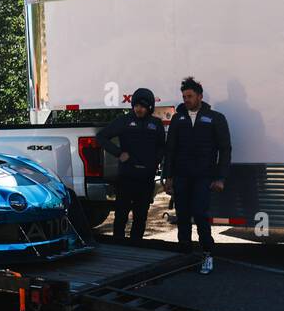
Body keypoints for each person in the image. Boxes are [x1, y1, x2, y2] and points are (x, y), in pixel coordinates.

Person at [161, 76, 232, 274]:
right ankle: (184, 257)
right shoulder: (178, 118)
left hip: (204, 177)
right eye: (184, 96)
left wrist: (220, 178)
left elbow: (225, 150)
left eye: (190, 96)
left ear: (200, 96)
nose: (186, 100)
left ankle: (207, 255)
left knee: (200, 215)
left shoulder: (216, 118)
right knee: (182, 217)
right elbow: (170, 150)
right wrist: (168, 177)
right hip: (182, 176)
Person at [96, 87, 165, 244]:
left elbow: (162, 146)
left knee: (141, 216)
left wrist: (155, 160)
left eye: (142, 106)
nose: (138, 109)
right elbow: (101, 137)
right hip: (127, 177)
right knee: (121, 214)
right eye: (136, 106)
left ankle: (136, 245)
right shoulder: (124, 121)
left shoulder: (156, 124)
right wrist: (119, 153)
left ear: (150, 107)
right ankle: (118, 245)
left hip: (146, 178)